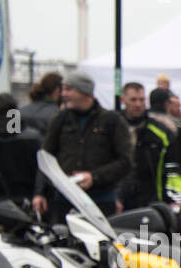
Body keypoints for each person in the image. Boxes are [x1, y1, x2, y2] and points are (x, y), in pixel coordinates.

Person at [31, 70, 132, 220]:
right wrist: (40, 193)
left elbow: (125, 161)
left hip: (100, 201)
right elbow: (46, 158)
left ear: (85, 92)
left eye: (68, 89)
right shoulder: (59, 119)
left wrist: (94, 177)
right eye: (63, 89)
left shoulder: (112, 121)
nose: (63, 94)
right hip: (64, 201)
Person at [119, 85, 181, 209]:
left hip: (150, 201)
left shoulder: (161, 132)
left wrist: (172, 197)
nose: (138, 104)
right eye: (133, 100)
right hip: (117, 201)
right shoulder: (113, 128)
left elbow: (173, 168)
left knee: (143, 228)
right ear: (123, 100)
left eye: (141, 100)